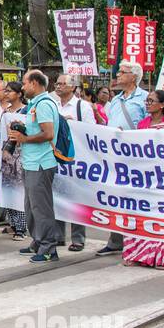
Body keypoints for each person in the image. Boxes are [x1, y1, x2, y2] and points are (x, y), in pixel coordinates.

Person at [124, 89, 164, 268]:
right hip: (143, 178)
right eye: (147, 101)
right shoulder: (142, 124)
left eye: (151, 101)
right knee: (140, 214)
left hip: (163, 179)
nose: (148, 103)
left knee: (161, 217)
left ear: (162, 105)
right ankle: (138, 254)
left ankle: (162, 256)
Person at [95, 60, 148, 255]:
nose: (117, 75)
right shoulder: (116, 100)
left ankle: (140, 241)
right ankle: (116, 239)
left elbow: (150, 124)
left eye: (122, 72)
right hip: (115, 155)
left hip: (137, 155)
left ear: (134, 76)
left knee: (137, 199)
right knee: (116, 197)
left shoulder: (145, 98)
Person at [10, 69, 62, 262]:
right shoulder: (34, 105)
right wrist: (23, 130)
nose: (22, 87)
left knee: (42, 208)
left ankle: (49, 248)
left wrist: (25, 138)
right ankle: (38, 241)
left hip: (41, 163)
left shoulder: (44, 104)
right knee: (31, 207)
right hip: (31, 162)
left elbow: (48, 134)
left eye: (24, 83)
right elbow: (36, 129)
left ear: (34, 83)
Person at [52, 74, 93, 251]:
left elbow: (91, 131)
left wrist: (72, 124)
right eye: (57, 83)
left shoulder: (82, 107)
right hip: (55, 157)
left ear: (73, 87)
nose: (59, 86)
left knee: (76, 200)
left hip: (76, 159)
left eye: (62, 84)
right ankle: (58, 236)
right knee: (57, 197)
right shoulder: (53, 105)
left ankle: (78, 238)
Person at [0, 81, 28, 240]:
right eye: (5, 91)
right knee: (7, 189)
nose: (6, 94)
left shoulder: (26, 111)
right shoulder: (5, 113)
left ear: (19, 94)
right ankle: (13, 223)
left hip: (21, 157)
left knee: (19, 191)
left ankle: (21, 228)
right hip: (6, 157)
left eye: (9, 91)